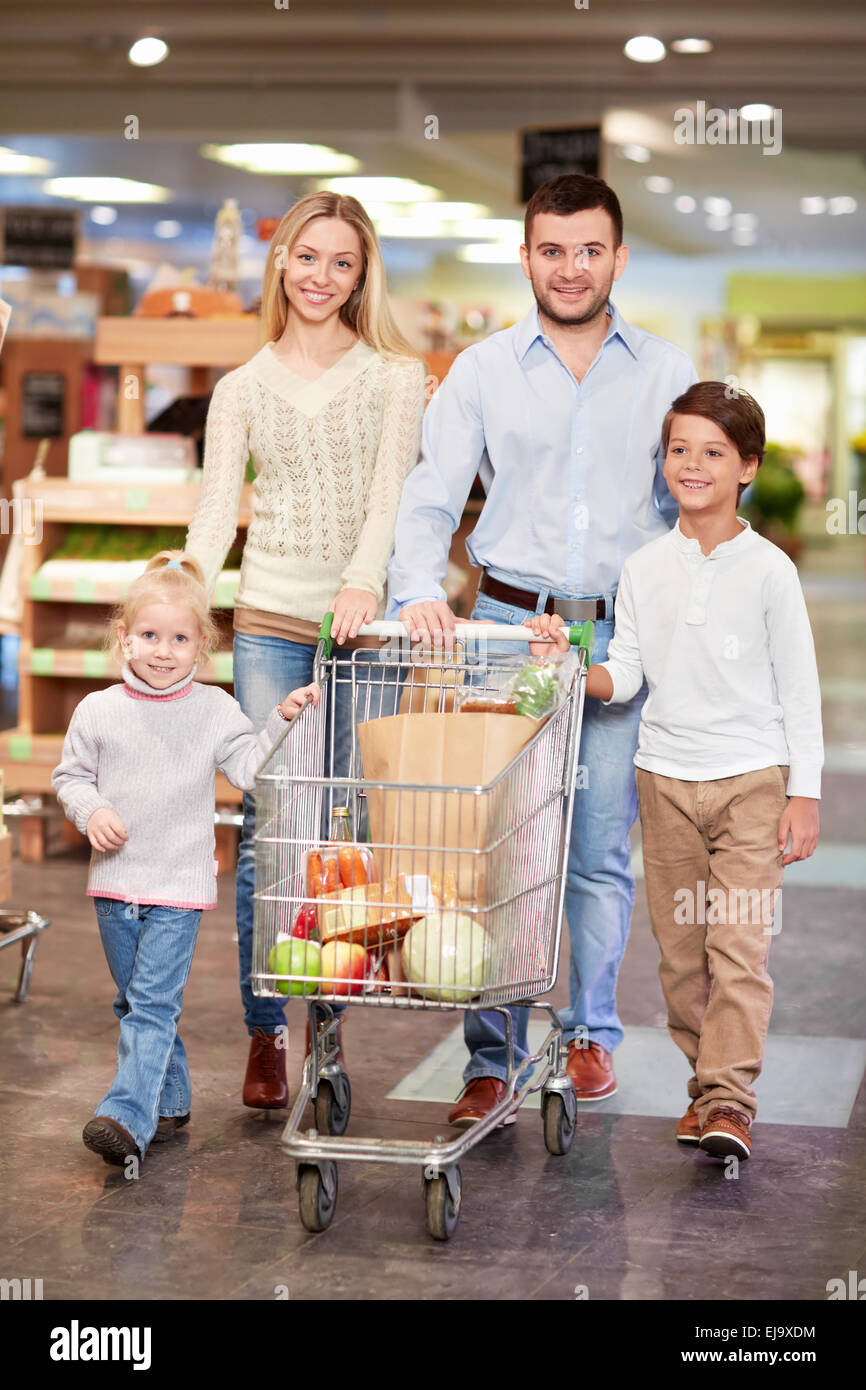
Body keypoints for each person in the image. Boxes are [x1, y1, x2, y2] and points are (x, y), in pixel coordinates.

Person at [387, 172, 698, 1126]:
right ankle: (491, 1054)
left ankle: (594, 1037)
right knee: (491, 847)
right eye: (552, 250)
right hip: (503, 635)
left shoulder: (667, 370)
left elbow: (701, 498)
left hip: (615, 639)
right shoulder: (480, 371)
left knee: (598, 850)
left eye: (589, 250)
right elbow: (433, 494)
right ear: (526, 258)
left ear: (618, 257)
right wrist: (414, 594)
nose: (570, 268)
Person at [530, 381, 822, 1159]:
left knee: (739, 950)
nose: (691, 465)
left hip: (753, 783)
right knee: (683, 956)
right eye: (679, 449)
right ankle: (706, 1087)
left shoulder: (770, 571)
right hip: (662, 781)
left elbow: (800, 690)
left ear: (747, 468)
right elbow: (624, 675)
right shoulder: (645, 567)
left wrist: (805, 794)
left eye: (713, 452)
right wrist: (569, 663)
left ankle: (730, 1100)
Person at [185, 193, 426, 1111]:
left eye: (343, 263)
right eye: (307, 256)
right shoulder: (240, 388)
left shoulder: (395, 376)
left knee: (348, 836)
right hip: (270, 624)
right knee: (268, 832)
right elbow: (217, 510)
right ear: (279, 263)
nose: (322, 276)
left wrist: (364, 585)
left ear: (363, 277)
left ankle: (328, 1019)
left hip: (365, 633)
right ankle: (263, 1031)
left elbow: (388, 496)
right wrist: (178, 583)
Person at [52, 551, 319, 1166]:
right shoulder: (97, 711)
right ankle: (171, 1097)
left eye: (179, 639)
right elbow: (70, 778)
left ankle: (126, 1117)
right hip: (114, 887)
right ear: (124, 638)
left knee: (151, 1005)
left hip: (179, 889)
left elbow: (252, 772)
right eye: (149, 635)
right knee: (132, 1001)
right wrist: (91, 811)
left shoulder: (215, 711)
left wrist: (278, 720)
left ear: (202, 649)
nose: (162, 650)